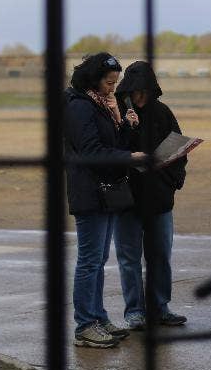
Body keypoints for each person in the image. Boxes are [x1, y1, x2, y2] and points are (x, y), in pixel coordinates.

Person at [64, 52, 144, 348]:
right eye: (109, 83)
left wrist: (125, 127)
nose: (113, 88)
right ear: (93, 79)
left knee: (98, 260)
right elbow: (92, 151)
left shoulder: (100, 105)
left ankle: (98, 316)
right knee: (89, 261)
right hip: (89, 192)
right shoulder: (79, 106)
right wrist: (129, 157)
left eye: (115, 83)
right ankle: (85, 325)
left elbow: (109, 145)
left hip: (106, 191)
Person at [113, 61, 188, 330]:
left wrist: (172, 182)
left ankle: (160, 308)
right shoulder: (116, 111)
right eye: (136, 91)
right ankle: (134, 312)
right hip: (126, 199)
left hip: (159, 198)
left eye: (145, 91)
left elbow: (179, 150)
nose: (140, 96)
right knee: (129, 258)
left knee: (160, 256)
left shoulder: (163, 112)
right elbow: (108, 151)